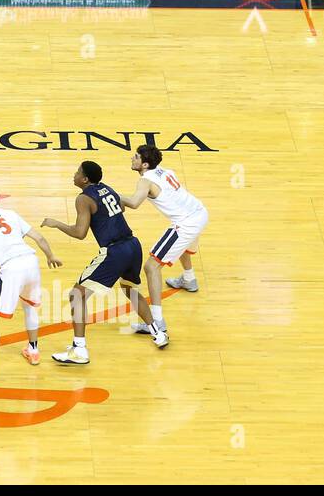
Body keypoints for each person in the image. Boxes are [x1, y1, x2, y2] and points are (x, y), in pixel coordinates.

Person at [42, 161, 165, 366]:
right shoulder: (107, 188)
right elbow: (120, 208)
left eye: (77, 172)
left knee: (77, 295)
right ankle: (158, 333)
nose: (74, 174)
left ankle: (79, 350)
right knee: (131, 290)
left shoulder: (83, 198)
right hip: (133, 245)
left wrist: (56, 224)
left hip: (114, 251)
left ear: (85, 179)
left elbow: (79, 233)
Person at [0, 186, 62, 380]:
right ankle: (33, 351)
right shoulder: (11, 214)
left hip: (11, 268)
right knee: (29, 307)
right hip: (31, 262)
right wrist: (50, 255)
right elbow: (38, 237)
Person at [119, 144, 211, 341]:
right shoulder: (166, 170)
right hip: (199, 212)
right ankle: (189, 279)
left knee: (151, 267)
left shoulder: (145, 181)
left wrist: (115, 196)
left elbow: (134, 203)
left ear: (144, 164)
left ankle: (157, 321)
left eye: (135, 157)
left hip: (186, 223)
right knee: (182, 245)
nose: (132, 159)